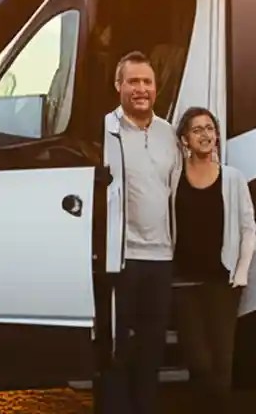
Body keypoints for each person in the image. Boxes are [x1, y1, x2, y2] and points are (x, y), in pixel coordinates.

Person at [101, 50, 182, 414]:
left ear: (155, 88)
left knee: (152, 347)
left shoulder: (168, 133)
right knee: (117, 346)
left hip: (161, 258)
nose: (141, 89)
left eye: (147, 82)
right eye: (133, 81)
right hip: (122, 257)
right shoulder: (105, 131)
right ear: (118, 85)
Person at [171, 106, 256, 407]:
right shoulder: (174, 178)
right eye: (197, 130)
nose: (205, 135)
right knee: (198, 361)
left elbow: (248, 228)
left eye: (210, 129)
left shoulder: (232, 178)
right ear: (185, 139)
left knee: (221, 362)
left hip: (223, 282)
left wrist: (242, 270)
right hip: (184, 283)